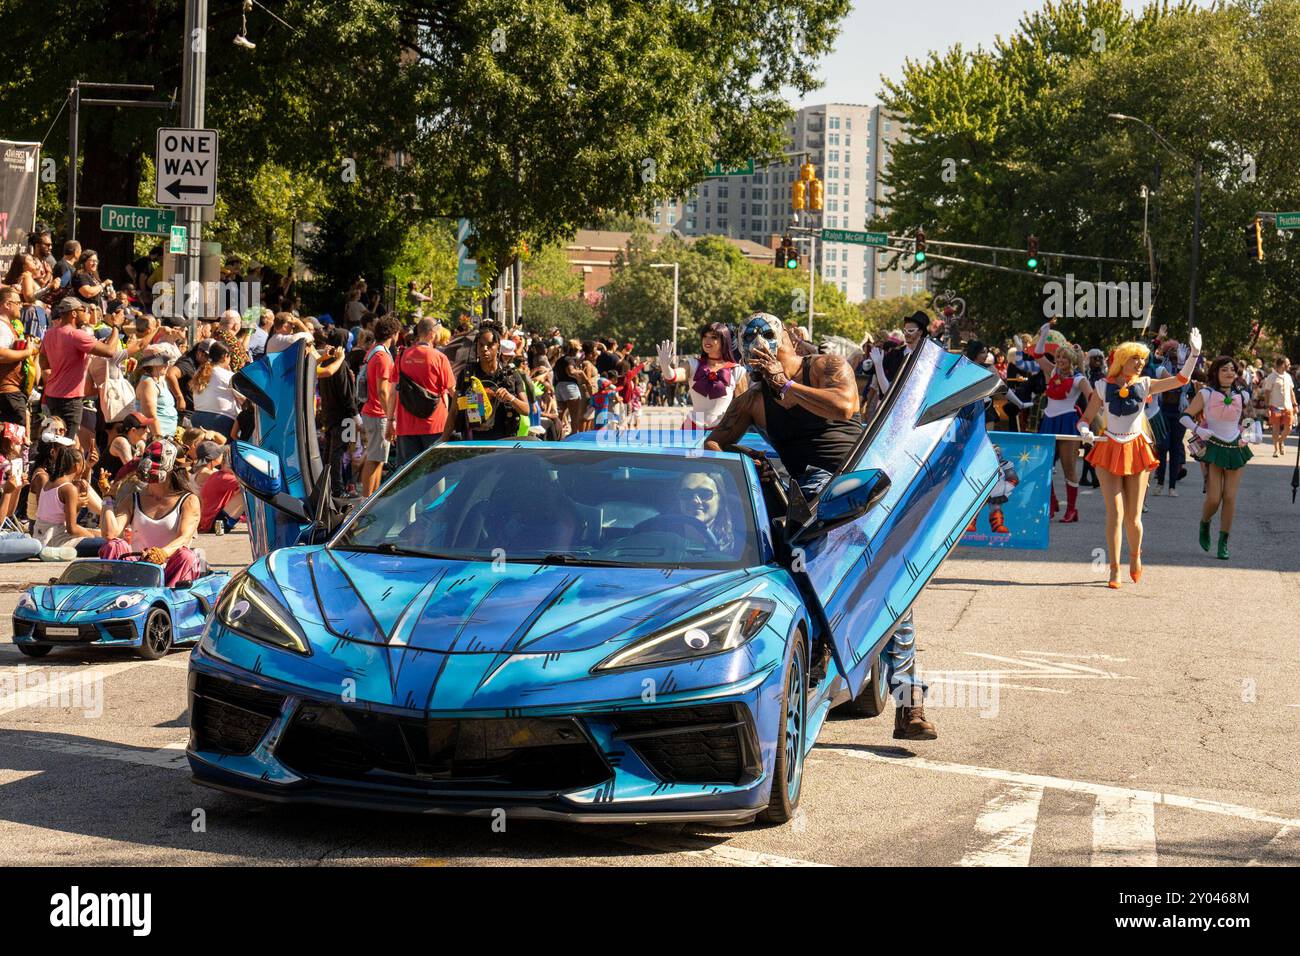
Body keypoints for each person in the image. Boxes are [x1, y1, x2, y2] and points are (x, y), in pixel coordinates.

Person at [704, 312, 936, 741]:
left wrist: (787, 384)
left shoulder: (826, 366)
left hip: (864, 482)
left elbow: (845, 405)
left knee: (891, 590)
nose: (759, 346)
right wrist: (747, 456)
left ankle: (909, 705)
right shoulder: (755, 398)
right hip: (813, 495)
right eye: (750, 341)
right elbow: (713, 441)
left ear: (790, 338)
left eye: (767, 338)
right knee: (801, 576)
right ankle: (814, 659)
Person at [1077, 332, 1201, 588]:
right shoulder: (1102, 386)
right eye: (1135, 359)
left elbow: (1181, 380)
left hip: (1136, 449)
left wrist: (1195, 354)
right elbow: (1084, 418)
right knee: (1114, 513)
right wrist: (1084, 431)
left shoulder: (1145, 384)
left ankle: (1134, 556)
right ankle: (1114, 570)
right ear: (1122, 359)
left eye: (1142, 360)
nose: (1140, 363)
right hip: (1109, 448)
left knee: (1133, 517)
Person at [99, 440, 203, 586]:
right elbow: (110, 534)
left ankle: (170, 598)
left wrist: (162, 554)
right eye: (146, 457)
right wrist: (107, 498)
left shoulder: (189, 500)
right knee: (114, 545)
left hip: (169, 570)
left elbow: (184, 538)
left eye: (156, 459)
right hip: (137, 568)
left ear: (173, 466)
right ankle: (113, 589)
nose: (147, 463)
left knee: (187, 556)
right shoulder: (132, 499)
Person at [1182, 356, 1253, 560]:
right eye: (1224, 370)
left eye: (1232, 370)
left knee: (1230, 497)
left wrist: (1247, 432)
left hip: (1236, 447)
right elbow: (1184, 416)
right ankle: (1205, 522)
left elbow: (1250, 416)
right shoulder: (1206, 393)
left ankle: (1223, 542)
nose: (1230, 373)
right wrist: (1197, 429)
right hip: (1214, 447)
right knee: (1213, 499)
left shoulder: (1242, 394)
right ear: (1215, 373)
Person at [1029, 323, 1093, 523]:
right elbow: (1038, 354)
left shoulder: (1079, 379)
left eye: (1064, 357)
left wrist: (1088, 422)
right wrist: (1044, 334)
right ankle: (1052, 502)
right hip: (1048, 421)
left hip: (1068, 422)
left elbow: (1093, 399)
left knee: (1068, 467)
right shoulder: (1052, 371)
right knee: (1043, 465)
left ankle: (1072, 510)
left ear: (1072, 360)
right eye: (1058, 357)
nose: (1060, 360)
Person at [39, 297, 120, 451]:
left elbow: (43, 363)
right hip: (69, 400)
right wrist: (116, 327)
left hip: (51, 395)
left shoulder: (49, 334)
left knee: (54, 440)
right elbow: (110, 351)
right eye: (84, 310)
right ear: (74, 313)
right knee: (66, 443)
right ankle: (59, 473)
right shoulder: (75, 335)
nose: (87, 314)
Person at [656, 324, 748, 430]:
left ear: (724, 341)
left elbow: (743, 407)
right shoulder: (693, 364)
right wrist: (666, 368)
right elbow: (673, 376)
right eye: (705, 336)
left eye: (713, 337)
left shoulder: (736, 370)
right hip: (691, 428)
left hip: (721, 431)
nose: (707, 340)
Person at [445, 325, 528, 441]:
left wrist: (510, 398)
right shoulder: (467, 375)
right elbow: (453, 411)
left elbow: (526, 410)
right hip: (473, 442)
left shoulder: (511, 375)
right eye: (481, 345)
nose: (484, 348)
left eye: (489, 345)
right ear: (476, 347)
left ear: (498, 347)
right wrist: (443, 440)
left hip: (502, 443)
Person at [395, 317, 454, 463]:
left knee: (408, 474)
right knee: (436, 471)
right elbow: (453, 390)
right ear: (432, 334)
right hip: (435, 424)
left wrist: (391, 420)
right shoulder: (440, 357)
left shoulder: (402, 356)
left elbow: (392, 391)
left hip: (406, 423)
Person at [31, 443, 106, 559]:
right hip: (56, 540)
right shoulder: (68, 488)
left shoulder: (49, 483)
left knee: (101, 534)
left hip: (41, 535)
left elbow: (62, 519)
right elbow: (72, 529)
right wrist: (91, 536)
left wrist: (77, 506)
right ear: (77, 466)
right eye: (83, 465)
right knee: (109, 543)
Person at [359, 315, 401, 496]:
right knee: (375, 460)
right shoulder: (383, 356)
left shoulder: (372, 351)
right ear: (393, 334)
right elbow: (383, 390)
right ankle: (367, 500)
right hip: (378, 414)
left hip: (371, 411)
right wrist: (390, 416)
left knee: (376, 458)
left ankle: (370, 498)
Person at [0, 285, 40, 427]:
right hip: (8, 391)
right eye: (18, 303)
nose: (21, 306)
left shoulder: (9, 325)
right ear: (7, 304)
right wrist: (27, 352)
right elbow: (1, 355)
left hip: (13, 390)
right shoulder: (1, 326)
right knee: (15, 440)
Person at [190, 341, 241, 438]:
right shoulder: (229, 376)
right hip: (220, 421)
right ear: (226, 356)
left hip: (197, 417)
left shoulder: (199, 372)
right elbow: (243, 399)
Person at [199, 446, 245, 535]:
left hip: (209, 523)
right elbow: (253, 485)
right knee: (248, 491)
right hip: (214, 526)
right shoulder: (225, 478)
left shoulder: (217, 475)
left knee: (243, 490)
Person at [135, 352, 178, 440]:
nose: (167, 365)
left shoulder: (160, 380)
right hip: (157, 438)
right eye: (164, 362)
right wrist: (159, 440)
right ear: (153, 365)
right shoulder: (148, 383)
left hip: (167, 436)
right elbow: (150, 416)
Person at [1261, 357, 1295, 458]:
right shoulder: (1271, 377)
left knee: (1288, 428)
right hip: (1275, 406)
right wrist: (1267, 407)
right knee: (1275, 428)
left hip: (1288, 406)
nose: (1290, 365)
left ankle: (1280, 441)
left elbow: (1291, 391)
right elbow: (1267, 393)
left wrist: (1295, 404)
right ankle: (1276, 449)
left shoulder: (1288, 376)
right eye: (1288, 363)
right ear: (1282, 364)